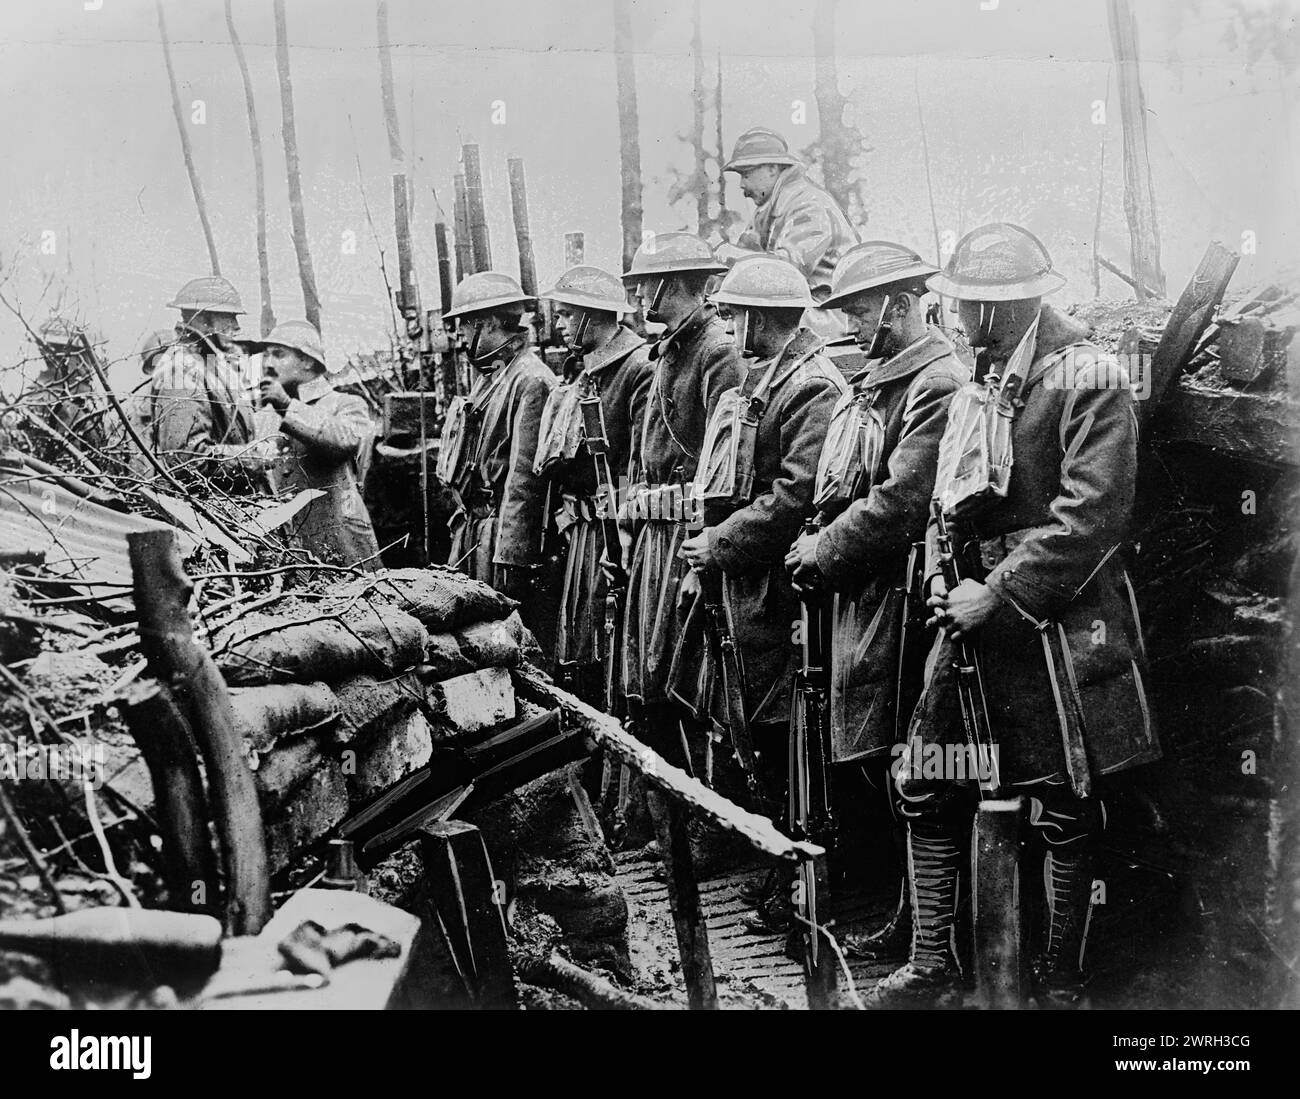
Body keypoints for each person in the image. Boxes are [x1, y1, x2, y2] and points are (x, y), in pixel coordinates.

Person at [865, 222, 1160, 1009]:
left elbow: (1094, 515)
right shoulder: (975, 380)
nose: (955, 321)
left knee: (1063, 802)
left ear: (999, 311)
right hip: (966, 624)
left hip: (1053, 628)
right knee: (928, 777)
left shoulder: (1090, 376)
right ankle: (935, 962)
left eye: (965, 307)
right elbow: (943, 500)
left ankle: (1061, 982)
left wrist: (1000, 592)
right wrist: (938, 575)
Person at [784, 241, 968, 959]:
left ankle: (932, 937)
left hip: (904, 604)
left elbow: (899, 501)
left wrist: (824, 551)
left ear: (899, 303)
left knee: (907, 758)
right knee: (877, 760)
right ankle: (909, 914)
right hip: (868, 597)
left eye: (860, 308)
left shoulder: (936, 382)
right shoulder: (884, 379)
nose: (853, 324)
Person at [670, 254, 845, 932]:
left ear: (766, 320)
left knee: (790, 733)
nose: (731, 326)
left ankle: (805, 884)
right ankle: (787, 869)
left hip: (785, 591)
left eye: (739, 314)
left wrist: (721, 543)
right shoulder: (770, 378)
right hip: (755, 587)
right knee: (762, 732)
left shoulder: (812, 388)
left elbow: (794, 495)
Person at [619, 233, 741, 762]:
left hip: (688, 540)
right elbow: (644, 456)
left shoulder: (717, 349)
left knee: (684, 680)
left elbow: (726, 465)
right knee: (647, 674)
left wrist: (700, 553)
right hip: (655, 536)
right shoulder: (669, 349)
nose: (641, 294)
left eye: (647, 283)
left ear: (671, 283)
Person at [534, 266, 651, 707]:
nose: (558, 325)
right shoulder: (581, 372)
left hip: (612, 531)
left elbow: (636, 462)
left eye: (566, 315)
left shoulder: (636, 368)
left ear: (591, 316)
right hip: (579, 527)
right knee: (577, 644)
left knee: (609, 643)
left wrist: (617, 536)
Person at [220, 319, 382, 572]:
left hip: (340, 547)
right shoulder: (266, 415)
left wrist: (286, 405)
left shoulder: (347, 403)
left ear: (308, 361)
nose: (268, 363)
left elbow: (343, 440)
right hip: (286, 553)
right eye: (267, 355)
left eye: (279, 354)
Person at [438, 272, 556, 610]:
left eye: (464, 322)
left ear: (488, 323)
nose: (458, 333)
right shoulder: (492, 375)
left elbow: (524, 480)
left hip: (498, 540)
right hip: (474, 531)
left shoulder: (531, 380)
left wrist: (510, 558)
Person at [714, 127, 859, 307]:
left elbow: (789, 270)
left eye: (746, 174)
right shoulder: (767, 211)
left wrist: (729, 256)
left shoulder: (808, 203)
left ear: (772, 169)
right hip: (804, 306)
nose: (742, 185)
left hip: (831, 310)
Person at [148, 276, 256, 484]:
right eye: (229, 317)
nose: (236, 325)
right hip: (204, 510)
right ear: (203, 319)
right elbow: (186, 460)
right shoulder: (181, 370)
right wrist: (254, 457)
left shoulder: (207, 365)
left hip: (225, 505)